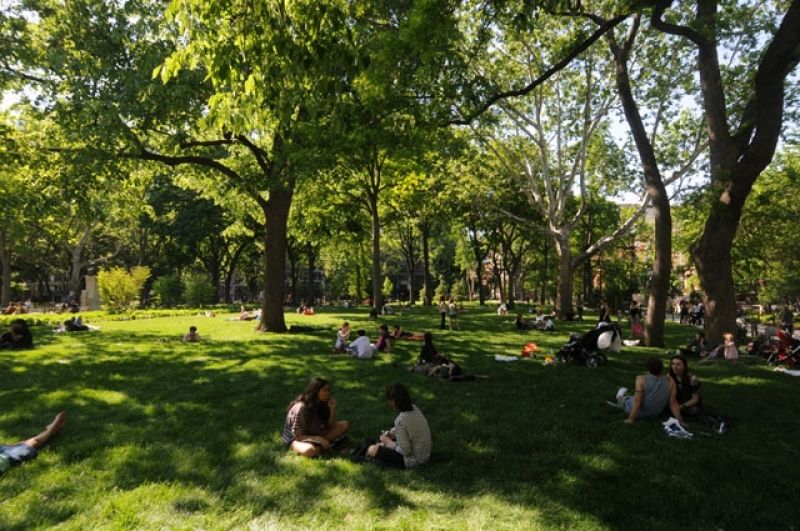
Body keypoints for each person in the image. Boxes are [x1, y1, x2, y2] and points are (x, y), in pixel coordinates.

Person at [363, 383, 432, 468]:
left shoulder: (400, 420)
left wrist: (388, 442)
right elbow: (410, 429)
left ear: (392, 401)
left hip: (413, 460)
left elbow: (405, 451)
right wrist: (395, 433)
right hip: (424, 455)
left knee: (372, 449)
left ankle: (368, 453)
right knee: (376, 441)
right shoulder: (414, 408)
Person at [281, 378, 350, 458]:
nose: (328, 393)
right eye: (325, 390)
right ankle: (324, 446)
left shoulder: (321, 403)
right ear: (316, 391)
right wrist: (318, 439)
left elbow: (330, 425)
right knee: (310, 450)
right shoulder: (302, 407)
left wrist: (332, 409)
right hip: (296, 439)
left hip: (314, 433)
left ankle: (323, 445)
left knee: (344, 425)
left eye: (328, 390)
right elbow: (298, 436)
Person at [614, 357, 682, 425]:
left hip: (638, 411)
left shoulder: (641, 378)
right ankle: (624, 395)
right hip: (655, 413)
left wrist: (630, 419)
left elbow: (637, 400)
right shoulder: (670, 380)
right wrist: (680, 421)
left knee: (625, 399)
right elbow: (673, 402)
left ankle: (619, 396)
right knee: (635, 396)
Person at [1, 411, 66, 476]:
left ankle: (50, 430)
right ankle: (50, 430)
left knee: (23, 444)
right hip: (7, 456)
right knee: (32, 442)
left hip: (6, 454)